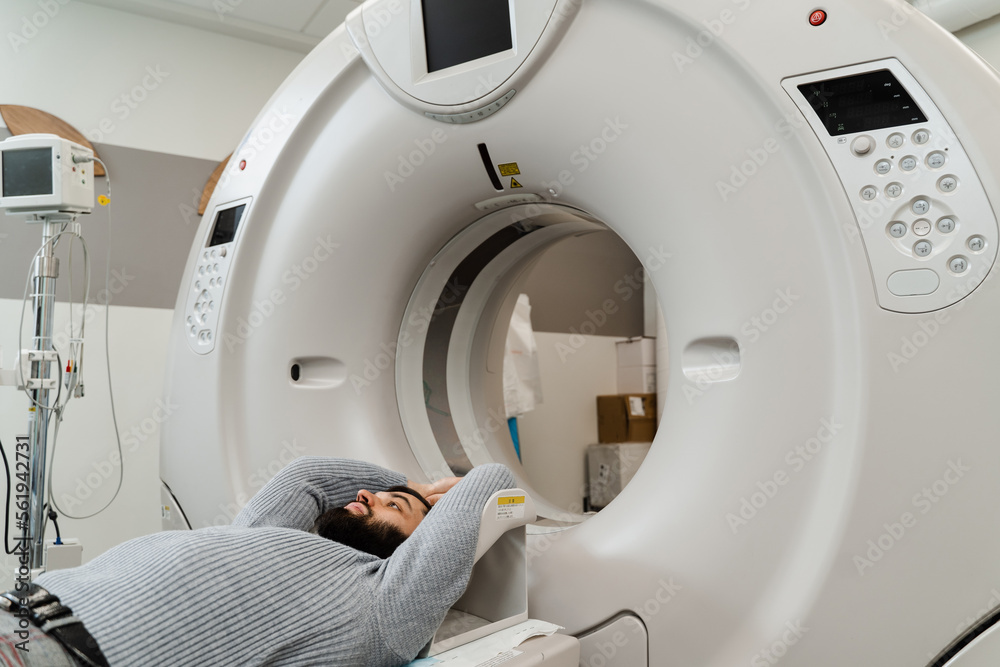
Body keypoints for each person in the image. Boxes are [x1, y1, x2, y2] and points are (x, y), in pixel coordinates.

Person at [0, 457, 515, 666]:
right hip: (20, 608)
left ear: (423, 545)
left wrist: (430, 497)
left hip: (69, 656)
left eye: (393, 506)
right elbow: (306, 477)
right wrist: (408, 487)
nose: (367, 492)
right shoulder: (268, 535)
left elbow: (490, 479)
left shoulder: (386, 606)